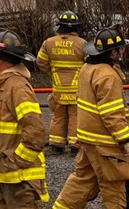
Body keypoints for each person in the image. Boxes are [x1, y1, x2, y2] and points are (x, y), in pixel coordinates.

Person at [51, 28, 129, 209]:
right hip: (105, 143)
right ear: (113, 52)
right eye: (121, 49)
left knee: (82, 181)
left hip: (88, 139)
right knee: (118, 185)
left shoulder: (87, 68)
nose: (123, 52)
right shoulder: (108, 76)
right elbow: (112, 113)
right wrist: (126, 140)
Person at [0, 30, 48, 208]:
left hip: (18, 178)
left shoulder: (17, 87)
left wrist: (16, 162)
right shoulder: (1, 84)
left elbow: (36, 132)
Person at [34, 11, 86, 155]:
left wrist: (52, 73)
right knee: (76, 117)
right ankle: (75, 147)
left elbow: (40, 62)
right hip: (77, 90)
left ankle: (57, 145)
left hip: (58, 88)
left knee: (58, 117)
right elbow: (89, 64)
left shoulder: (48, 43)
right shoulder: (82, 44)